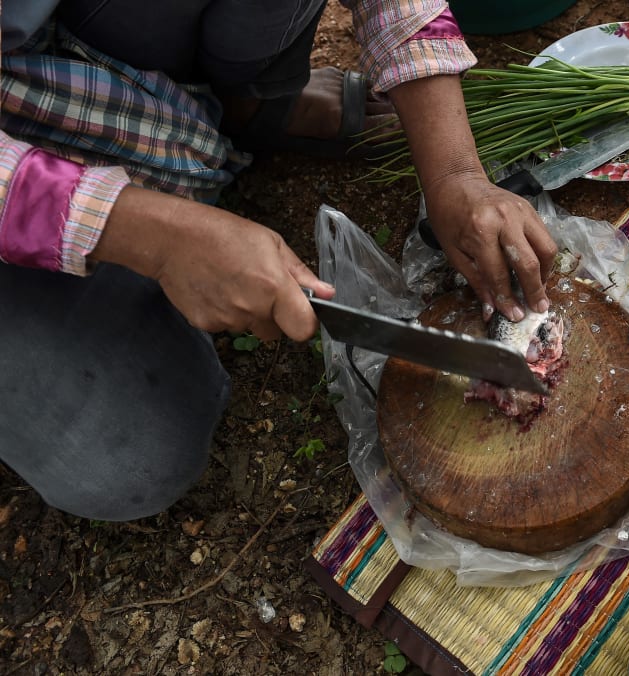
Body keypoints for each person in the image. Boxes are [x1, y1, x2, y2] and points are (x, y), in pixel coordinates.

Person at [0, 0, 559, 522]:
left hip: (82, 52)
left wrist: (454, 171)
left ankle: (254, 105)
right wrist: (147, 235)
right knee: (128, 461)